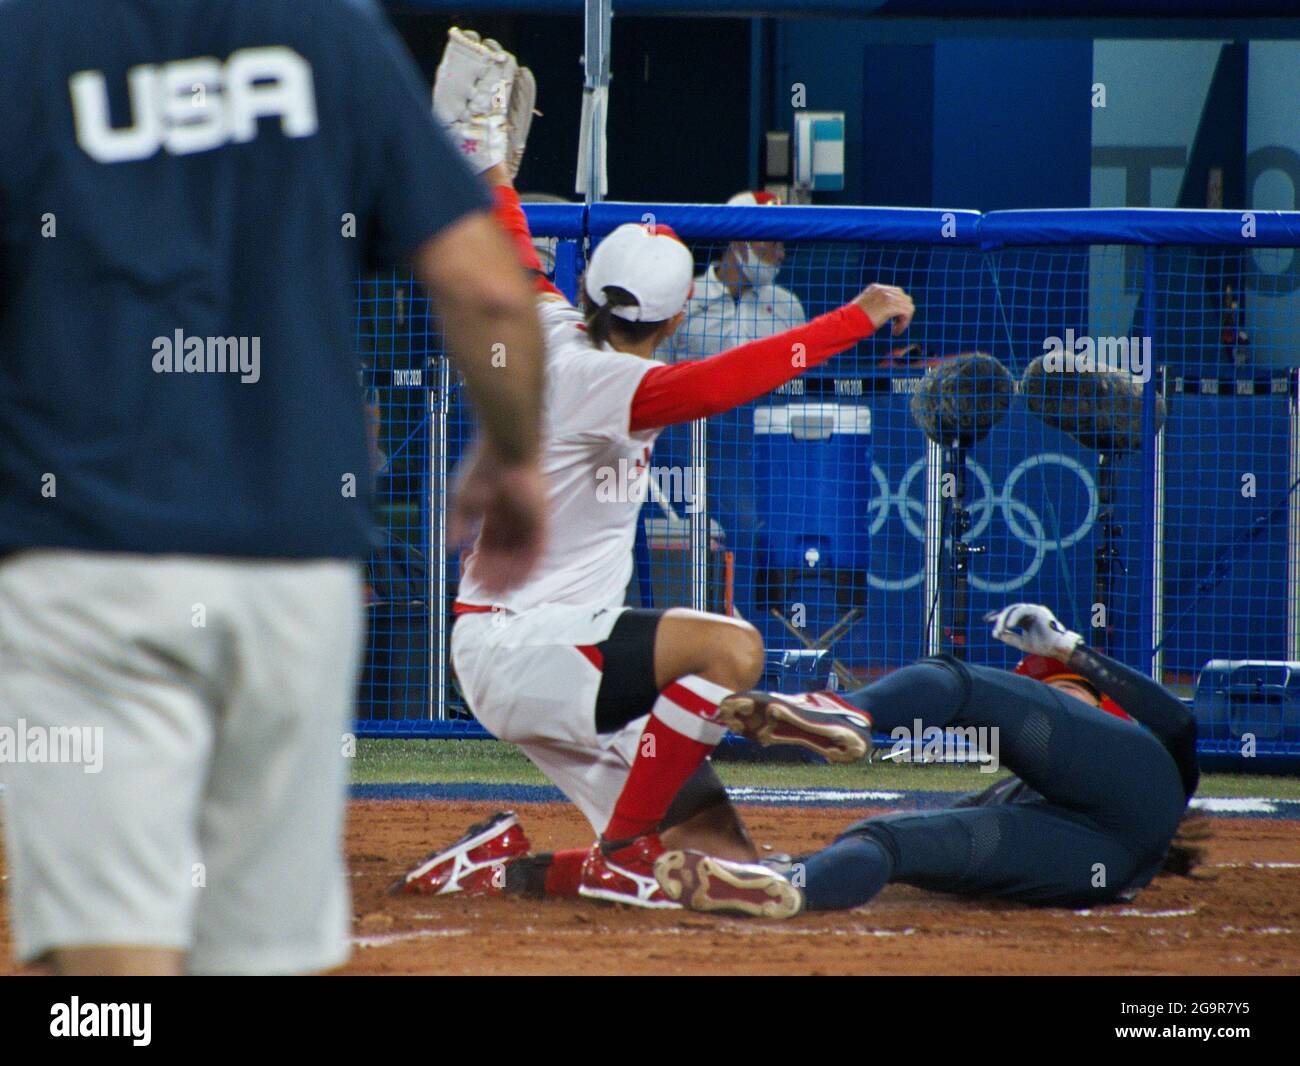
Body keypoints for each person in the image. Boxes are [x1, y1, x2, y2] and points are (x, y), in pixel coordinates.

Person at [0, 1, 547, 976]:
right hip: (294, 569)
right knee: (259, 956)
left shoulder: (26, 37)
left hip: (84, 553)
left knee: (108, 957)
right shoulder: (327, 34)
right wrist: (508, 455)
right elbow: (490, 291)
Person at [400, 32, 914, 909]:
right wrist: (854, 318)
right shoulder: (612, 381)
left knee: (715, 862)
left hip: (556, 654)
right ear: (675, 322)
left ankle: (505, 867)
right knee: (732, 648)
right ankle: (626, 843)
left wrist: (483, 165)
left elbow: (512, 242)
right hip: (529, 646)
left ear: (591, 291)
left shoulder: (550, 328)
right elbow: (722, 381)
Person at [654, 603, 1203, 918]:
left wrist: (1069, 651)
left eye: (1067, 690)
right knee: (883, 841)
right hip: (1094, 869)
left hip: (1114, 832)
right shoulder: (1013, 793)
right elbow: (939, 852)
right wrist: (804, 863)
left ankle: (848, 710)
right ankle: (797, 886)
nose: (1061, 699)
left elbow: (1177, 723)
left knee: (957, 683)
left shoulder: (1150, 764)